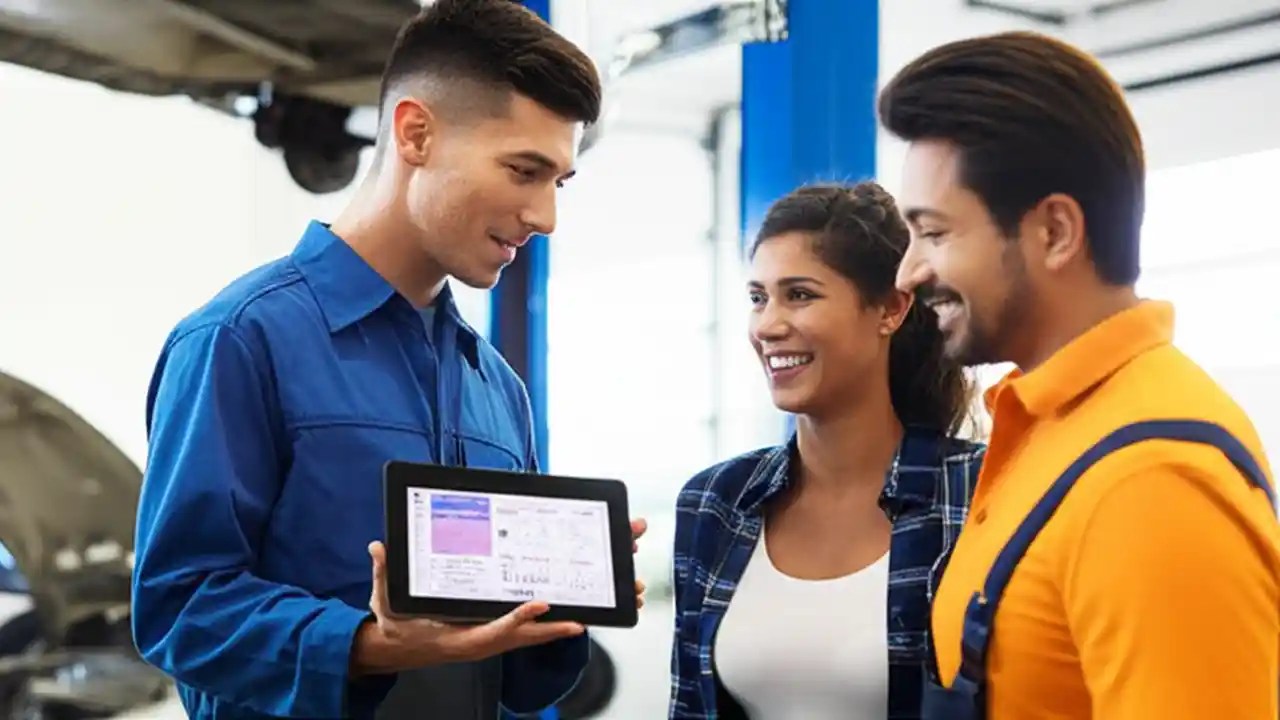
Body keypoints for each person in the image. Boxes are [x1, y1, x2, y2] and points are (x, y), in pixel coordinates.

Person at [130, 2, 646, 719]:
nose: (545, 217)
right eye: (523, 171)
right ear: (415, 133)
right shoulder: (241, 340)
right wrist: (369, 644)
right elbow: (178, 607)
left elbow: (512, 674)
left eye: (557, 183)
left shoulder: (496, 387)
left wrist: (570, 598)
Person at [878, 31, 1280, 720]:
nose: (908, 272)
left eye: (936, 234)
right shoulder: (1045, 427)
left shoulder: (1151, 481)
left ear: (1055, 232)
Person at [668, 181, 987, 720]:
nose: (767, 325)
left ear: (889, 309)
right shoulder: (715, 501)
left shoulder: (979, 491)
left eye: (800, 294)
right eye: (757, 297)